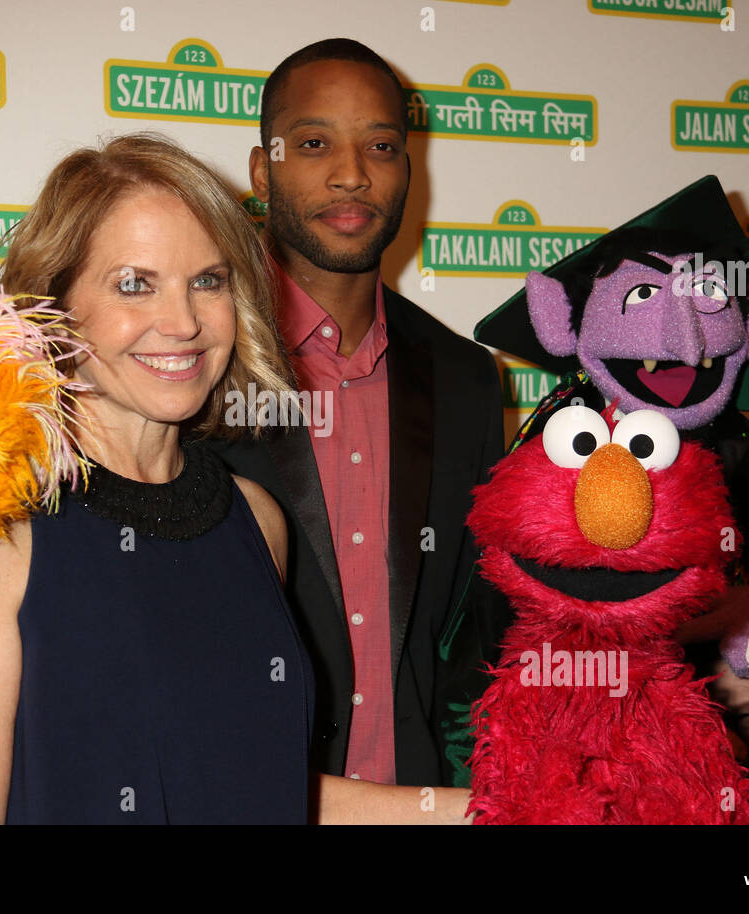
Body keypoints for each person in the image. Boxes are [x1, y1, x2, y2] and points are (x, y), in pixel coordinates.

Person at [0, 133, 472, 823]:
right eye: (135, 284)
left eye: (208, 282)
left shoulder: (257, 521)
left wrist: (511, 812)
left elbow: (257, 788)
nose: (182, 323)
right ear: (52, 308)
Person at [211, 39, 508, 788]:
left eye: (381, 146)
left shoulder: (467, 379)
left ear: (409, 170)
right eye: (314, 144)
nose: (352, 174)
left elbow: (481, 629)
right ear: (261, 170)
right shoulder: (194, 360)